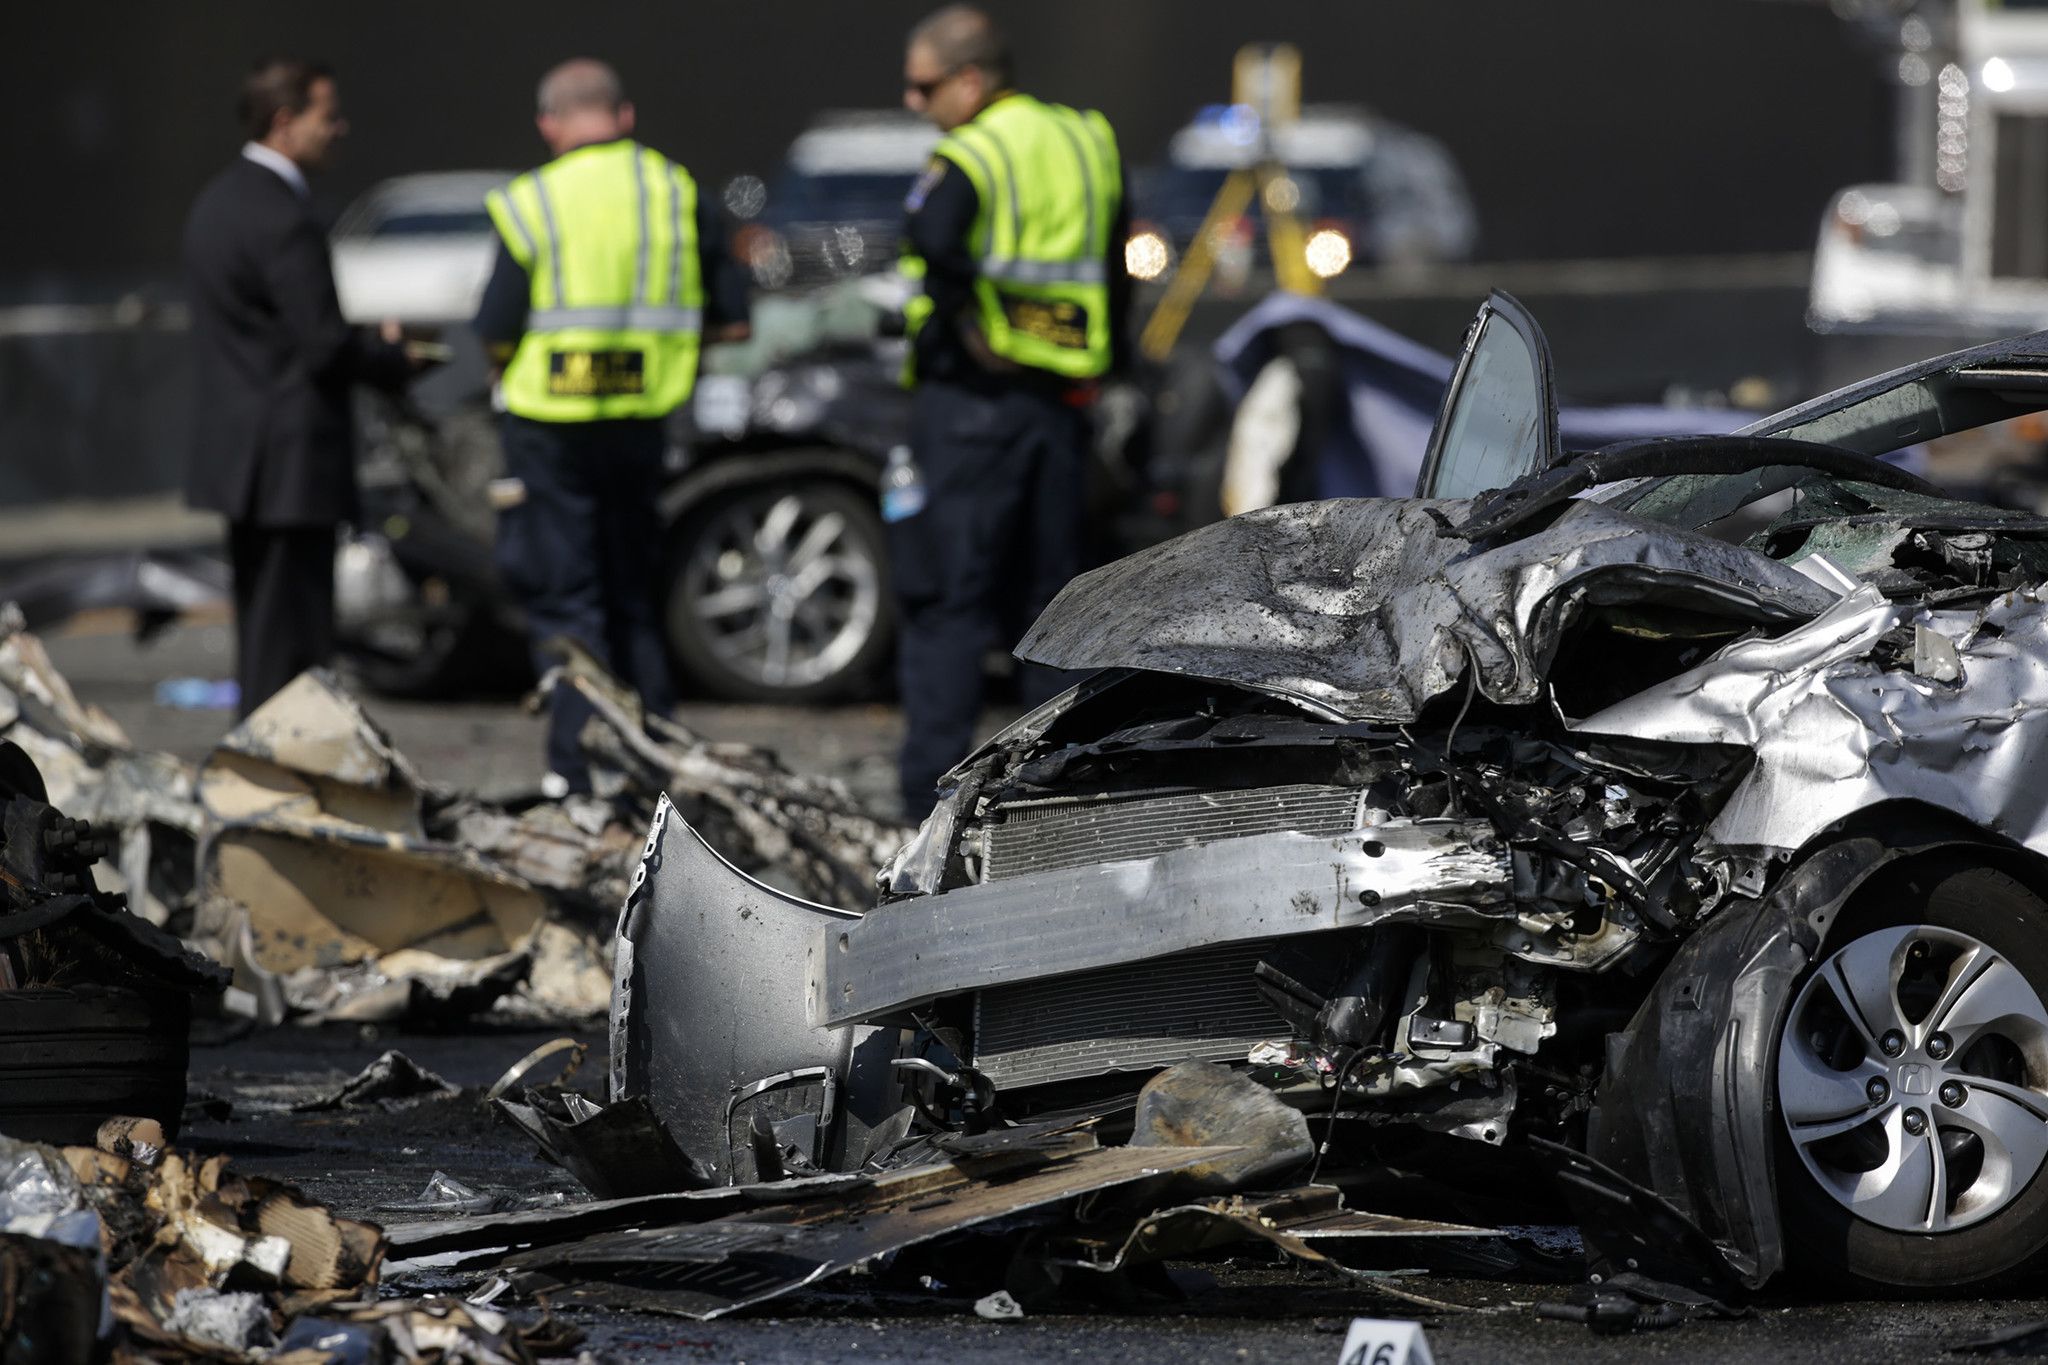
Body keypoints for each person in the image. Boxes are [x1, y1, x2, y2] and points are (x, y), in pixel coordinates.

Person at [473, 59, 749, 796]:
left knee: (569, 601)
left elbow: (497, 324)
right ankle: (655, 758)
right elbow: (733, 315)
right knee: (633, 593)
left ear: (550, 125)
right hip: (641, 420)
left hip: (548, 424)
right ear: (624, 117)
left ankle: (575, 768)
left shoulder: (532, 199)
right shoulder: (678, 190)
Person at [894, 5, 1130, 820]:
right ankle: (1050, 791)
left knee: (949, 600)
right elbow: (1116, 266)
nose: (914, 102)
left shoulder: (972, 151)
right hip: (1062, 405)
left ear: (970, 78)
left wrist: (968, 324)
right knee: (1052, 606)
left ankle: (930, 794)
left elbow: (929, 238)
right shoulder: (1086, 139)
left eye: (925, 86)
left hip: (972, 405)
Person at [183, 57, 420, 718]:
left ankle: (259, 777)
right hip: (291, 461)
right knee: (297, 647)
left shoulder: (218, 200)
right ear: (285, 121)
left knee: (262, 636)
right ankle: (282, 787)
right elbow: (321, 341)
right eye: (328, 116)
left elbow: (270, 330)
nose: (340, 129)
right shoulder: (282, 213)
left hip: (243, 460)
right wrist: (394, 356)